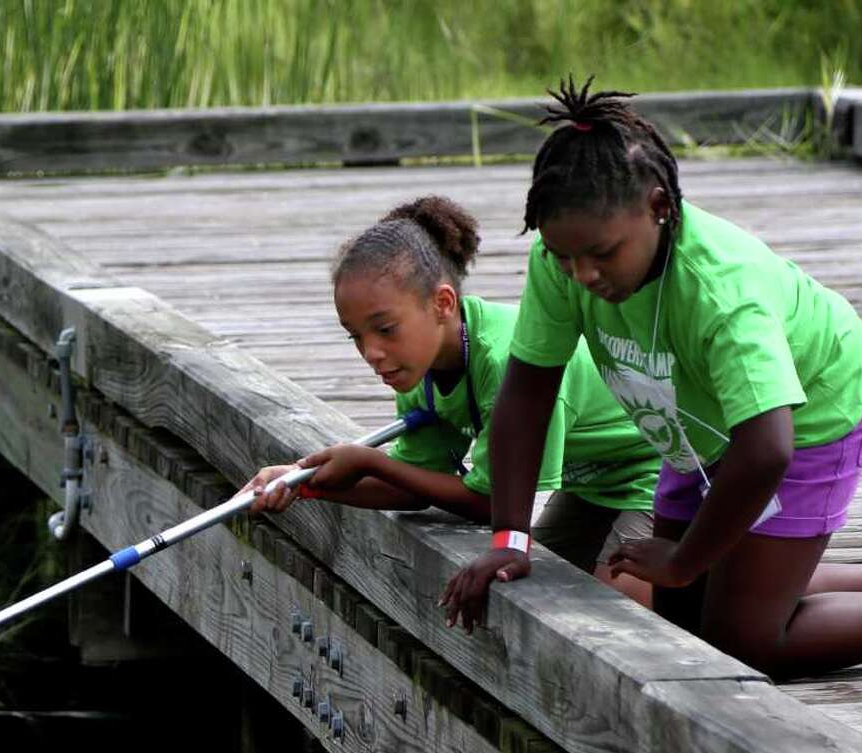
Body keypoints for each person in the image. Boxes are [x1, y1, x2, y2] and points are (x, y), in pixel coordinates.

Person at [440, 79, 862, 672]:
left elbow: (768, 448)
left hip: (810, 410)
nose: (583, 275)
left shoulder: (719, 290)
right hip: (701, 424)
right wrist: (511, 538)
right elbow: (527, 394)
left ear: (659, 207)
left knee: (745, 642)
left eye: (602, 254)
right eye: (564, 257)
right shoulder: (566, 260)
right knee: (684, 621)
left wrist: (686, 556)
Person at [242, 195, 658, 577]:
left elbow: (494, 503)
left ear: (443, 303)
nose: (371, 353)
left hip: (653, 467)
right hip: (590, 484)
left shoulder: (504, 361)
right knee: (535, 589)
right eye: (355, 336)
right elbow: (414, 486)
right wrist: (302, 483)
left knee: (617, 601)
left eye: (385, 329)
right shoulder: (416, 368)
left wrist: (370, 462)